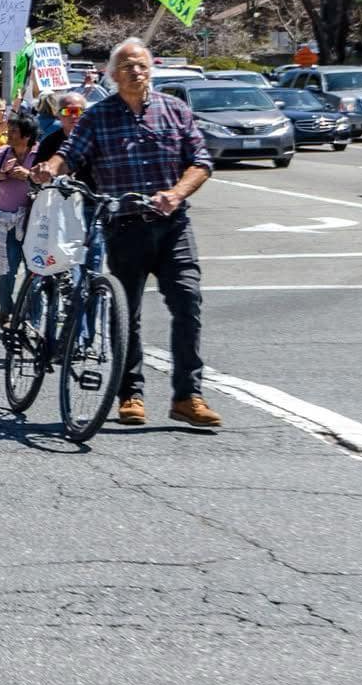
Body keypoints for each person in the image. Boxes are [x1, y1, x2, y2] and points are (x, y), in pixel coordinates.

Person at [34, 39, 222, 429]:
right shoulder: (98, 116)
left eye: (142, 65)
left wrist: (176, 193)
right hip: (124, 226)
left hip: (173, 226)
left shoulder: (175, 110)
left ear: (150, 69)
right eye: (128, 67)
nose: (136, 72)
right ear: (113, 75)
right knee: (126, 314)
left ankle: (189, 396)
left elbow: (201, 161)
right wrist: (51, 168)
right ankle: (130, 394)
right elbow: (70, 151)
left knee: (187, 304)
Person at [0, 114, 40, 330]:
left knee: (36, 271)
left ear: (27, 135)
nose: (8, 135)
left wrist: (28, 175)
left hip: (32, 223)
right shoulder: (3, 152)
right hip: (4, 221)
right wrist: (1, 176)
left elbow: (50, 182)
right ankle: (7, 310)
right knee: (4, 270)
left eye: (13, 131)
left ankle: (34, 319)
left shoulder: (41, 154)